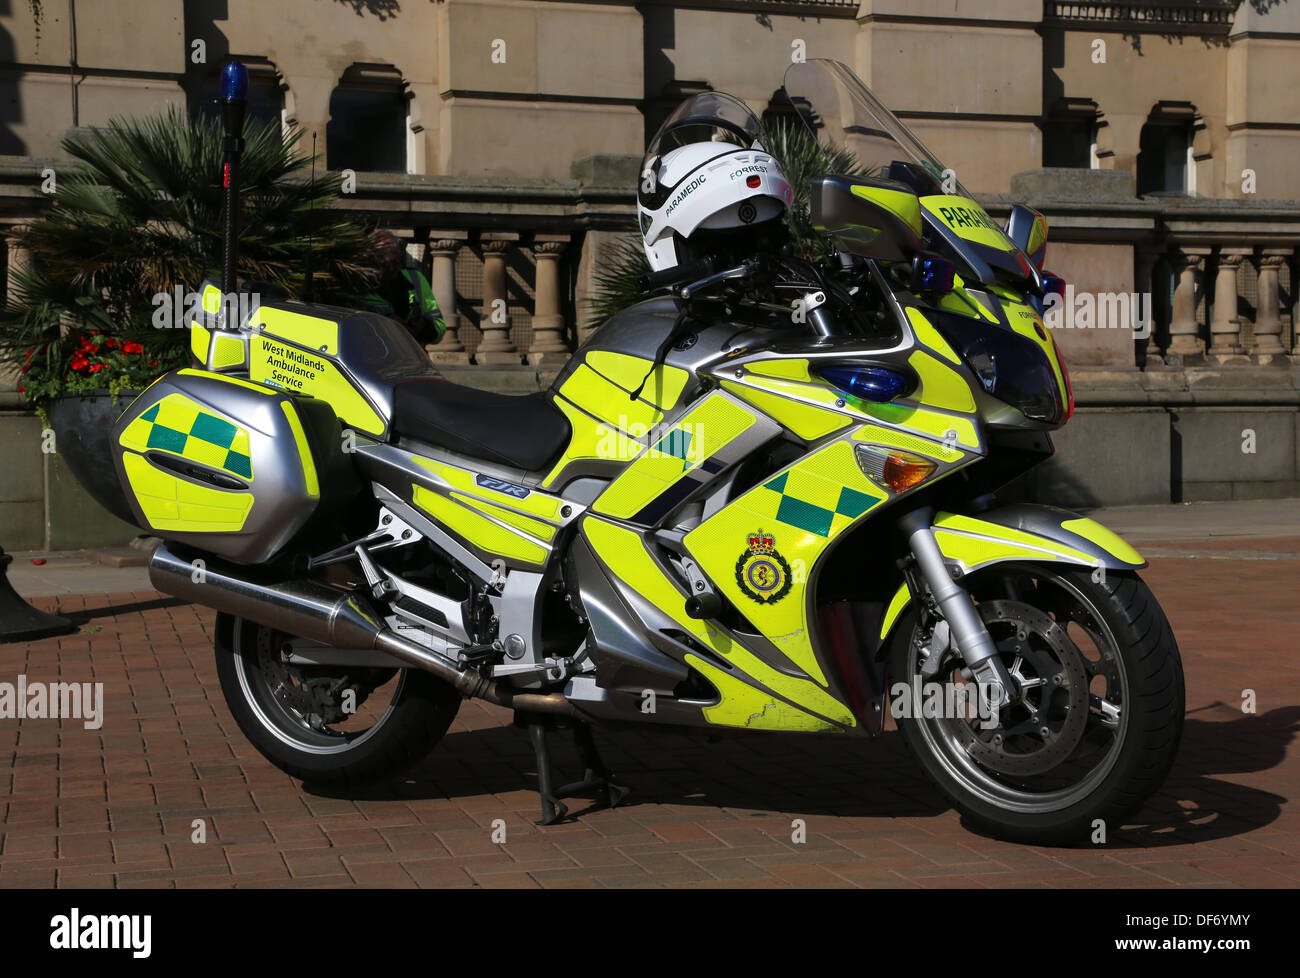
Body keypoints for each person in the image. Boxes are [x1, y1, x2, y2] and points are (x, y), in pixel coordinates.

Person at [364, 230, 447, 346]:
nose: (392, 269)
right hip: (372, 355)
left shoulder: (415, 278)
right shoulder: (358, 283)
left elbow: (439, 327)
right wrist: (386, 322)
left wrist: (422, 327)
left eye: (396, 262)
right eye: (385, 265)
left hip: (409, 355)